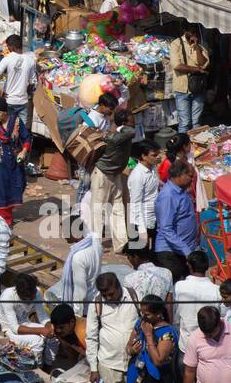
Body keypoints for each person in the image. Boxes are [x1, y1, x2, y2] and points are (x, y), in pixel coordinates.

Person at [90, 107, 134, 252]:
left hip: (115, 174)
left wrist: (105, 134)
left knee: (118, 208)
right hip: (103, 175)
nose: (134, 119)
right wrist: (106, 135)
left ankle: (121, 244)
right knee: (98, 210)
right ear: (125, 120)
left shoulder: (121, 133)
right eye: (131, 116)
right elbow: (125, 133)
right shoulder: (123, 132)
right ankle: (95, 244)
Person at [86, 272, 135, 383]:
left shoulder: (134, 296)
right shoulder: (96, 304)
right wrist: (93, 368)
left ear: (118, 286)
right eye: (104, 295)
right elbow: (91, 338)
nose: (107, 298)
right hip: (109, 366)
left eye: (111, 294)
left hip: (134, 364)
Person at [154, 161, 199, 283]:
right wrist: (186, 250)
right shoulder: (168, 195)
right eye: (190, 176)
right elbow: (166, 229)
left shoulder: (181, 191)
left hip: (182, 251)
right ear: (180, 175)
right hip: (170, 253)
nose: (192, 180)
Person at [125, 295, 178, 383]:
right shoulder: (140, 323)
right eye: (142, 313)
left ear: (158, 314)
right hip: (135, 375)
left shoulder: (167, 333)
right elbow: (128, 346)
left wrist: (149, 336)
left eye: (147, 314)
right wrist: (131, 350)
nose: (143, 317)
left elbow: (158, 361)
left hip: (156, 381)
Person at [173, 249, 221, 356]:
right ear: (207, 267)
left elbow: (175, 316)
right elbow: (222, 318)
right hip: (209, 347)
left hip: (186, 345)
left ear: (189, 266)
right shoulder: (216, 290)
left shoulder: (179, 286)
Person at [52, 228, 101, 317]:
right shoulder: (96, 243)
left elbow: (80, 291)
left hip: (85, 309)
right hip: (95, 300)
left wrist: (77, 315)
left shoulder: (78, 257)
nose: (63, 236)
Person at [170, 25, 210, 132]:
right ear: (184, 30)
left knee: (196, 122)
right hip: (182, 89)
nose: (193, 33)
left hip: (198, 88)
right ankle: (183, 146)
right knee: (185, 123)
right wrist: (197, 69)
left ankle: (195, 146)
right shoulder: (176, 44)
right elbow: (177, 66)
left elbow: (204, 64)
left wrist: (196, 47)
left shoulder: (201, 46)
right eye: (191, 30)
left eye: (195, 31)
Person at [0, 34, 37, 127]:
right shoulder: (30, 60)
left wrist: (1, 91)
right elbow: (33, 82)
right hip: (23, 101)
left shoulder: (7, 59)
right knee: (22, 128)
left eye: (8, 47)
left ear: (11, 47)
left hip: (10, 101)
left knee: (9, 127)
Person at [128, 139, 163, 250]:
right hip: (143, 222)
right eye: (154, 155)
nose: (158, 157)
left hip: (154, 218)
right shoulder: (138, 176)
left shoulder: (153, 169)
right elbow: (136, 203)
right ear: (143, 156)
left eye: (158, 154)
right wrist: (142, 230)